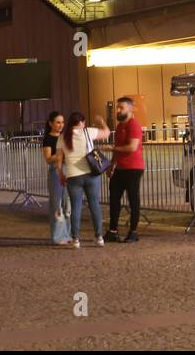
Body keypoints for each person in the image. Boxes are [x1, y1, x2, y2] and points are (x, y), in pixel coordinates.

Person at [57, 111, 113, 248]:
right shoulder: (88, 132)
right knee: (94, 205)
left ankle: (75, 240)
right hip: (91, 175)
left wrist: (60, 174)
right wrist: (101, 122)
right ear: (81, 122)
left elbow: (59, 159)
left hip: (72, 176)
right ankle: (99, 237)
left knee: (76, 207)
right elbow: (107, 133)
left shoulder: (63, 137)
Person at [106, 97, 145, 242]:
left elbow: (132, 147)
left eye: (121, 107)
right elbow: (118, 150)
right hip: (121, 168)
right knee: (114, 198)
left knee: (133, 199)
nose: (118, 110)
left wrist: (112, 148)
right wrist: (111, 166)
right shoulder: (120, 126)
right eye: (118, 107)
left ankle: (133, 231)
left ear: (130, 108)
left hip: (134, 168)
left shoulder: (134, 125)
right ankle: (113, 230)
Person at [42, 111, 73, 245]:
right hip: (56, 171)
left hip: (69, 171)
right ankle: (58, 236)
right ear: (51, 123)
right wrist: (61, 154)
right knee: (57, 204)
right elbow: (48, 158)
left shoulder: (65, 137)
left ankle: (68, 234)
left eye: (62, 122)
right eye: (58, 122)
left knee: (68, 204)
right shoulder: (48, 138)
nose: (61, 125)